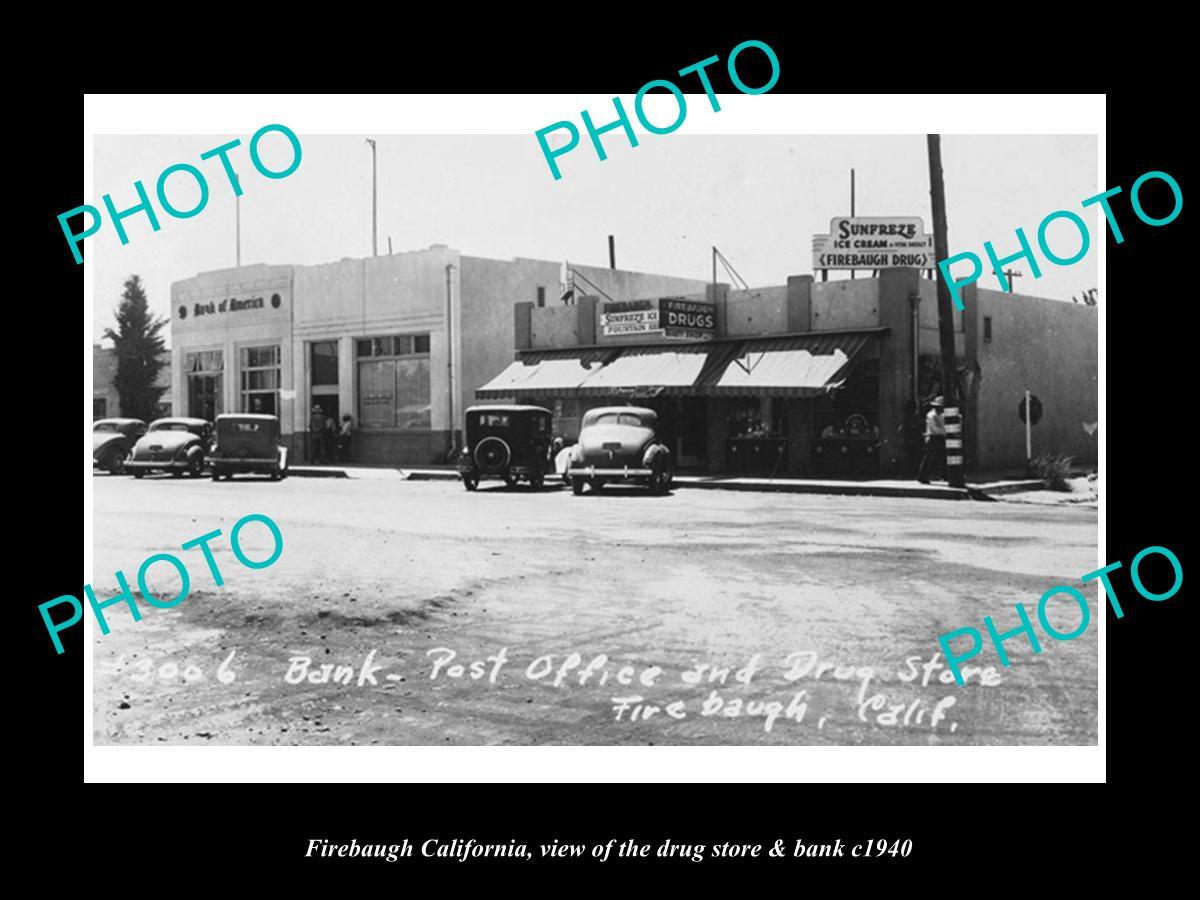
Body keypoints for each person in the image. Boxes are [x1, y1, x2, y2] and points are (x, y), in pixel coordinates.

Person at [917, 396, 946, 484]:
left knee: (944, 457)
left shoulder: (942, 415)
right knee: (929, 457)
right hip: (933, 437)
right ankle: (922, 476)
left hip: (941, 437)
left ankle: (945, 476)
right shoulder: (932, 415)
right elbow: (936, 428)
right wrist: (947, 430)